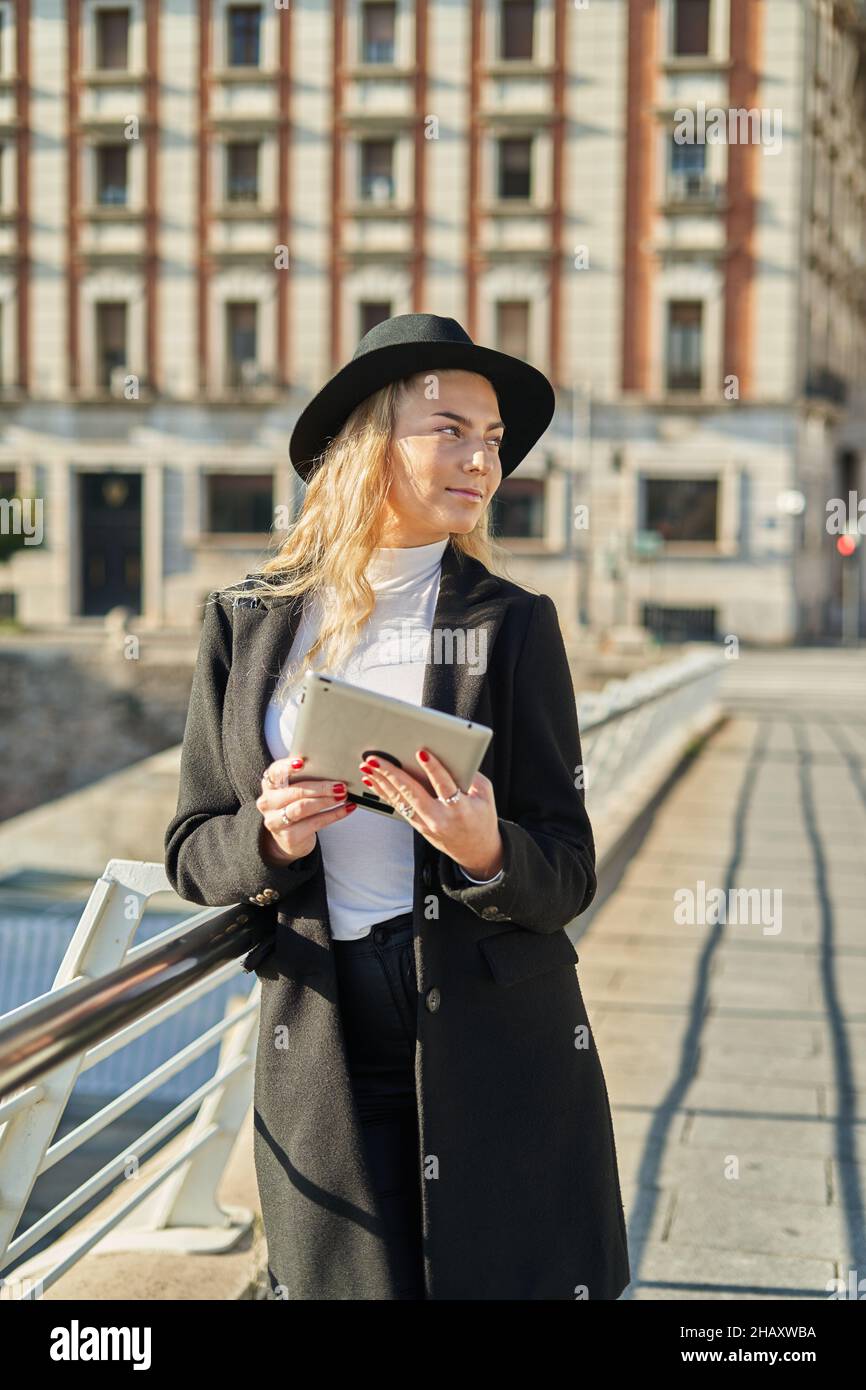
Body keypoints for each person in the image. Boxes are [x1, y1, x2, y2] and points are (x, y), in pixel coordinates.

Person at [164, 313, 630, 1300]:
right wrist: (267, 834)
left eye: (493, 438)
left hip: (487, 1021)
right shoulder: (244, 622)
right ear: (369, 439)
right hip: (320, 1016)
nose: (481, 460)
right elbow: (193, 849)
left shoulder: (512, 626)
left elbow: (565, 865)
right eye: (448, 429)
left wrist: (484, 848)